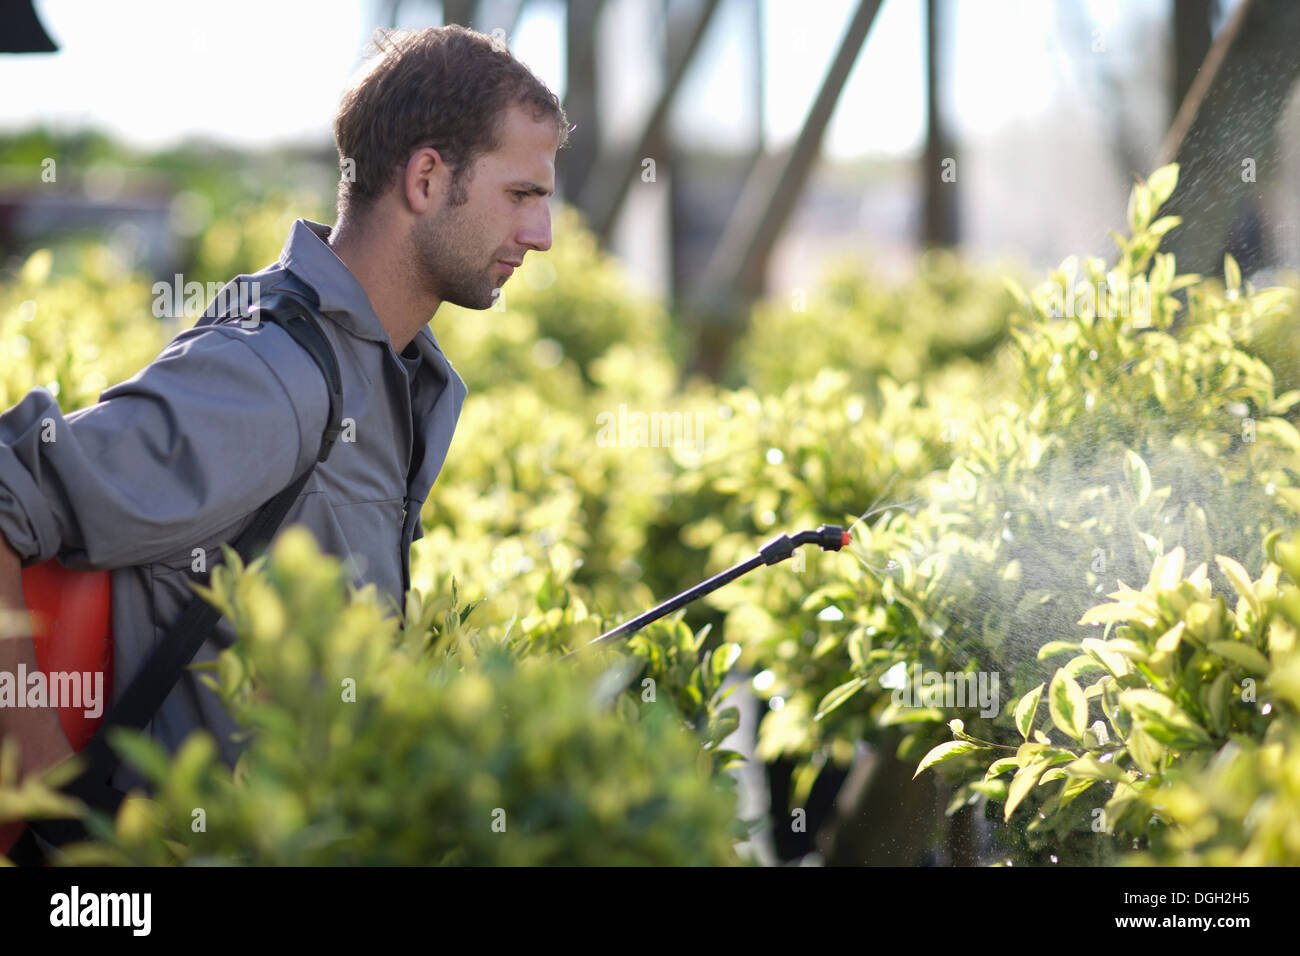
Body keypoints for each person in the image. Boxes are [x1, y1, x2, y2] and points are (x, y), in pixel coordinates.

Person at [0, 24, 568, 825]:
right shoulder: (273, 375)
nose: (542, 234)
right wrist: (43, 796)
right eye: (522, 195)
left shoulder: (402, 375)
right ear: (428, 179)